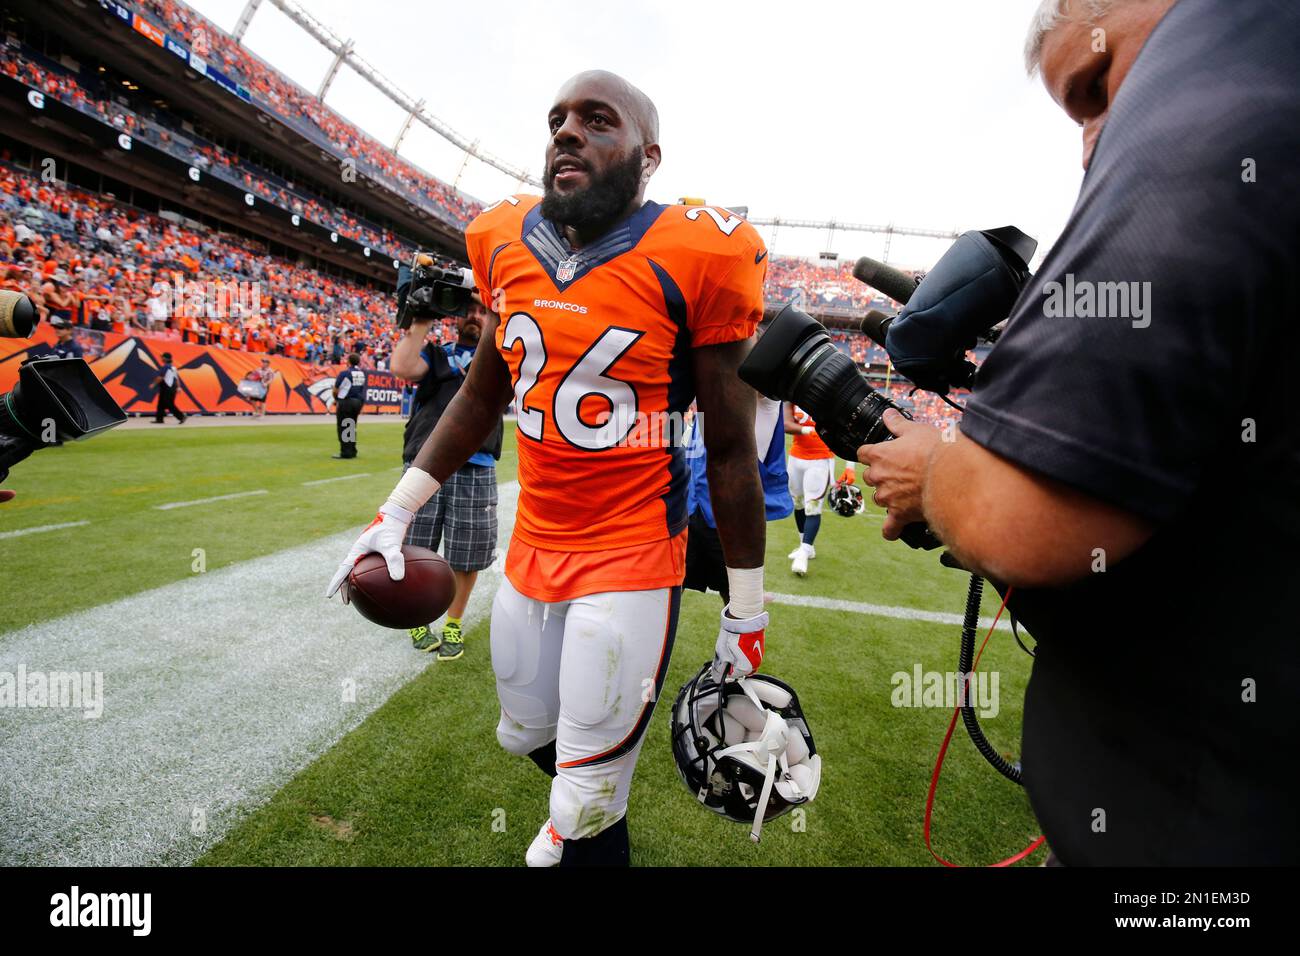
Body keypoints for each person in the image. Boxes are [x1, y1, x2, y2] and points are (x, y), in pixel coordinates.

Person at [859, 0, 1298, 865]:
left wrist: (934, 470)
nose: (1095, 140)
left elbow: (1021, 518)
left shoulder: (1222, 92)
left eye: (1096, 91)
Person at [327, 70, 770, 867]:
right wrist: (394, 512)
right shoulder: (505, 240)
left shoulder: (699, 252)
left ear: (649, 156)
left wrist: (747, 610)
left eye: (598, 121)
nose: (566, 132)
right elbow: (479, 395)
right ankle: (594, 788)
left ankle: (591, 809)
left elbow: (733, 449)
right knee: (525, 733)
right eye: (558, 119)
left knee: (579, 813)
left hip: (632, 555)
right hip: (534, 547)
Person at [390, 302, 503, 659]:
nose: (474, 315)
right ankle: (418, 617)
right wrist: (420, 319)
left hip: (477, 463)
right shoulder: (438, 355)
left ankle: (453, 623)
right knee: (416, 547)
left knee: (466, 555)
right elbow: (403, 367)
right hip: (425, 463)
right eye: (468, 309)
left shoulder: (502, 357)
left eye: (483, 310)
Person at [683, 394, 791, 604]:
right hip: (689, 507)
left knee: (739, 602)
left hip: (730, 515)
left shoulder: (761, 393)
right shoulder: (708, 388)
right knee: (671, 592)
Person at [784, 404, 855, 576]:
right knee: (798, 504)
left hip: (820, 460)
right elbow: (786, 424)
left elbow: (849, 431)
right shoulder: (793, 393)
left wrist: (850, 466)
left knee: (813, 506)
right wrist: (809, 431)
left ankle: (804, 553)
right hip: (796, 457)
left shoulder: (831, 396)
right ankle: (805, 546)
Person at [332, 353, 365, 459]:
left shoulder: (345, 373)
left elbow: (336, 389)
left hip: (346, 402)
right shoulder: (361, 373)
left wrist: (336, 399)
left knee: (343, 427)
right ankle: (352, 450)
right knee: (351, 426)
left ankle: (346, 452)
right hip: (358, 402)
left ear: (349, 361)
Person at [151, 352, 185, 424]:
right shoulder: (173, 367)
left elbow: (160, 377)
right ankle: (159, 419)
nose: (161, 359)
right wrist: (178, 387)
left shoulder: (166, 367)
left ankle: (181, 416)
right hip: (170, 388)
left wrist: (153, 384)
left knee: (169, 404)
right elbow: (176, 379)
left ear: (165, 358)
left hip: (167, 388)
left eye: (162, 357)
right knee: (161, 404)